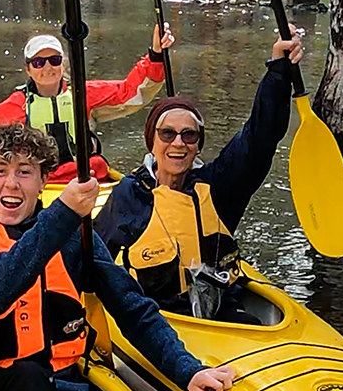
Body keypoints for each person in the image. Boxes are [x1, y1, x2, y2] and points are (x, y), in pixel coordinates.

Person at [0, 122, 236, 391]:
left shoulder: (75, 237)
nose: (11, 184)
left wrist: (188, 369)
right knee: (28, 379)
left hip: (59, 387)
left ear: (43, 180)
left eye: (24, 172)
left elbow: (133, 308)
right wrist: (64, 212)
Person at [93, 34, 302, 319]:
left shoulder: (218, 186)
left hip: (220, 311)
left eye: (189, 135)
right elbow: (93, 257)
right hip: (156, 321)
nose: (178, 143)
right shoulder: (129, 194)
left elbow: (260, 136)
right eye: (167, 133)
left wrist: (278, 70)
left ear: (198, 145)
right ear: (151, 143)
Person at [0, 24, 175, 180]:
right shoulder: (16, 106)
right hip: (42, 183)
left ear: (62, 63)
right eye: (38, 62)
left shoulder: (82, 96)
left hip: (87, 177)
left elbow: (130, 92)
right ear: (28, 69)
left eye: (54, 60)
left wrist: (155, 54)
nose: (47, 67)